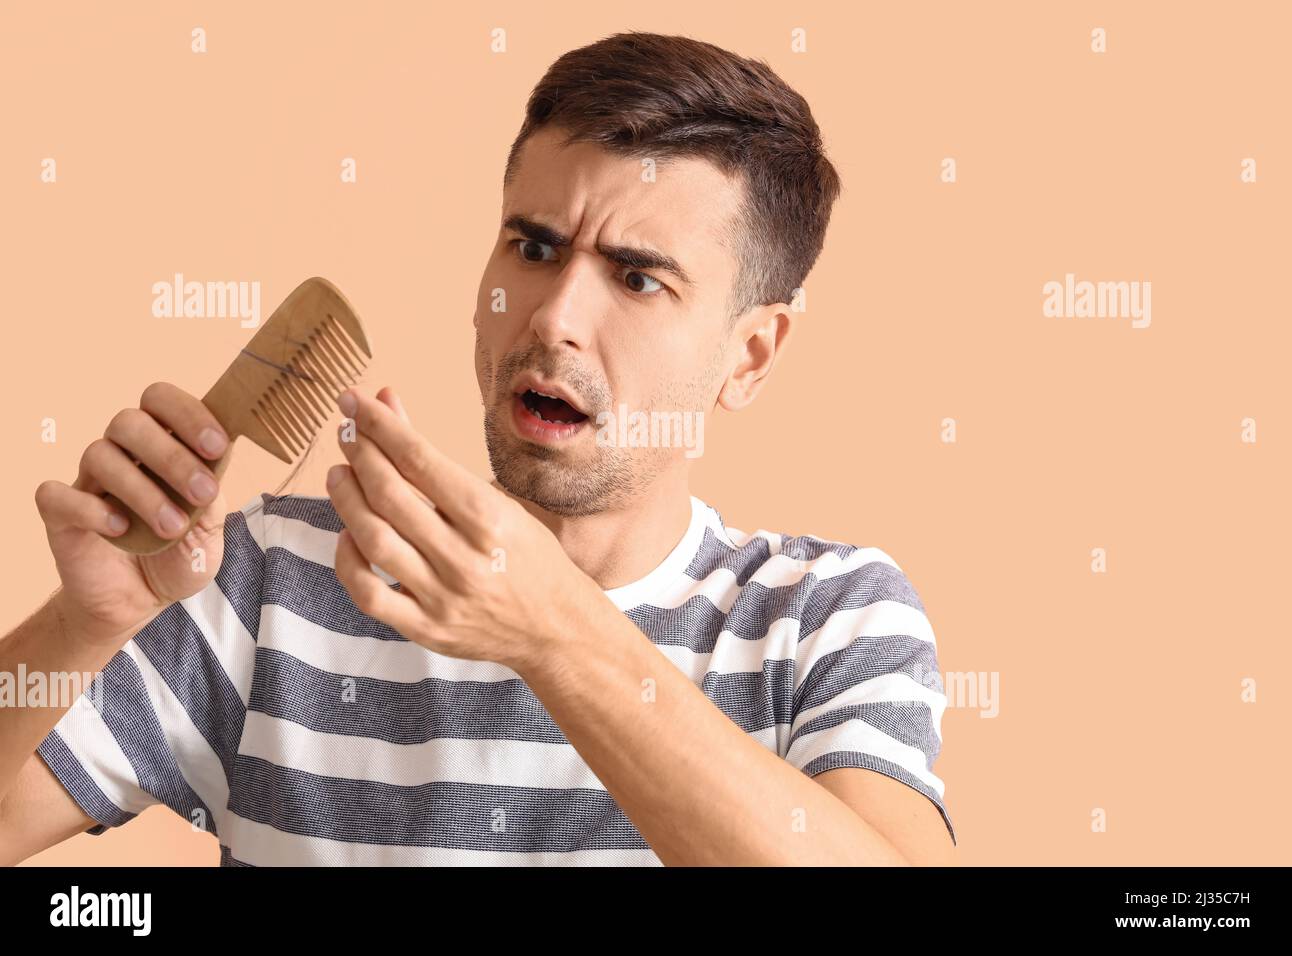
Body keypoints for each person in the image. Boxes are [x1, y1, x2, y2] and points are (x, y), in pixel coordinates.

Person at [0, 31, 956, 866]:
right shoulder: (260, 582)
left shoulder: (826, 620)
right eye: (533, 249)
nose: (554, 317)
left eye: (637, 279)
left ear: (748, 357)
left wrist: (553, 634)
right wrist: (84, 623)